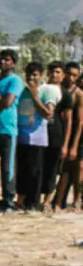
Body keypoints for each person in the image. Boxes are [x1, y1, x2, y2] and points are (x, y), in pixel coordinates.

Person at [0, 48, 24, 212]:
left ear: (13, 64)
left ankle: (8, 200)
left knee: (7, 168)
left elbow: (7, 102)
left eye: (7, 60)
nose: (3, 62)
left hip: (7, 130)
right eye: (1, 59)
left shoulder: (15, 81)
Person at [14, 62, 55, 210]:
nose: (31, 77)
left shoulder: (46, 91)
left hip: (37, 139)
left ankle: (33, 202)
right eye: (29, 74)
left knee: (34, 172)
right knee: (21, 171)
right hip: (21, 136)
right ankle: (20, 200)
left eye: (35, 75)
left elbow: (47, 114)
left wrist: (34, 95)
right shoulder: (21, 90)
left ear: (41, 75)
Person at [52, 63, 82, 210]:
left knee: (78, 167)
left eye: (74, 75)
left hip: (77, 134)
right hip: (61, 131)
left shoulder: (78, 94)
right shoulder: (57, 89)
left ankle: (77, 199)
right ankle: (58, 200)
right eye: (69, 74)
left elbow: (80, 121)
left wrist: (74, 145)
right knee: (64, 169)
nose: (71, 78)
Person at [41, 61, 67, 205]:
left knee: (52, 169)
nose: (54, 75)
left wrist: (66, 143)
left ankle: (47, 201)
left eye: (58, 72)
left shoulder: (65, 94)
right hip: (39, 133)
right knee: (40, 166)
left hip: (56, 135)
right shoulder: (41, 89)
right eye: (52, 71)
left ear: (63, 75)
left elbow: (68, 120)